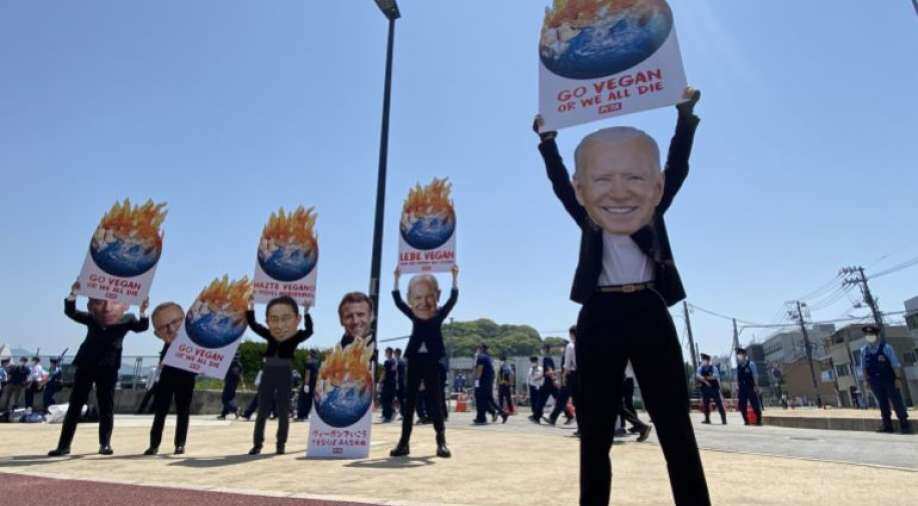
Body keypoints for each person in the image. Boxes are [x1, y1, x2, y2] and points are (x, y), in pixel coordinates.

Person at [534, 87, 710, 505]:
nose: (618, 193)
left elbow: (677, 167)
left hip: (649, 308)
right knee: (595, 432)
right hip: (600, 313)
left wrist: (685, 118)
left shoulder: (653, 207)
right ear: (586, 191)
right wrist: (547, 144)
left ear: (652, 187)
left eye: (632, 178)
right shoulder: (588, 215)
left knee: (674, 425)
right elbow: (561, 185)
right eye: (603, 181)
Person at [49, 281, 149, 456]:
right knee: (75, 405)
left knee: (106, 406)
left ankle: (105, 444)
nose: (107, 308)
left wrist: (143, 310)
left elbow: (142, 327)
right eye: (101, 303)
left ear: (124, 306)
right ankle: (63, 446)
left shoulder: (127, 319)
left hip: (109, 367)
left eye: (113, 303)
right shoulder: (93, 317)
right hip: (86, 363)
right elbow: (70, 311)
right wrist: (73, 293)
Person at [389, 265, 459, 458]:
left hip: (432, 362)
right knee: (409, 402)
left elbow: (453, 299)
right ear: (411, 300)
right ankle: (403, 443)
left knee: (435, 401)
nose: (424, 303)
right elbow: (398, 302)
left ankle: (441, 442)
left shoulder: (439, 315)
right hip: (414, 361)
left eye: (429, 297)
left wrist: (454, 276)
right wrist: (396, 278)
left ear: (437, 296)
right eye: (417, 298)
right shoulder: (413, 315)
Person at [246, 295, 313, 455]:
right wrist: (251, 306)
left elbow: (310, 331)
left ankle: (280, 444)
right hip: (268, 370)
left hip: (285, 371)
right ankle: (257, 445)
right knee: (262, 409)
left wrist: (307, 312)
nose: (280, 325)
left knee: (283, 410)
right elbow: (253, 325)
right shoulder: (269, 333)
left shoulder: (296, 336)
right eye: (275, 319)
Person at [145, 302, 197, 455]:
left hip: (186, 374)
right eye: (165, 326)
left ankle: (180, 444)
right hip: (167, 374)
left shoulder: (192, 335)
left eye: (175, 322)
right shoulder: (169, 337)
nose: (171, 328)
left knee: (183, 411)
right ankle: (154, 445)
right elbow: (163, 338)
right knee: (160, 411)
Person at [859, 324, 911, 434]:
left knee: (896, 401)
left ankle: (904, 424)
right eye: (867, 334)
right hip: (874, 381)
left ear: (877, 335)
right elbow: (863, 367)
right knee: (882, 403)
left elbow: (895, 364)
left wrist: (898, 378)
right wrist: (866, 381)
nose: (869, 336)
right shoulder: (864, 350)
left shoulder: (886, 347)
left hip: (889, 379)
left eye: (871, 334)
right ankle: (887, 426)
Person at [473, 343, 507, 424]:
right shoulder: (488, 357)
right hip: (488, 381)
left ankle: (481, 418)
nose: (477, 349)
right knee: (489, 399)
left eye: (478, 348)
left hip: (482, 381)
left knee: (480, 399)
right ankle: (502, 413)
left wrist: (476, 379)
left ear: (481, 348)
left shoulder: (481, 357)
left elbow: (480, 369)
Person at [696, 354, 726, 425]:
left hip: (714, 389)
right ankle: (707, 419)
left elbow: (715, 377)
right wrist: (706, 381)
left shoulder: (714, 368)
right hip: (705, 390)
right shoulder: (700, 368)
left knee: (719, 404)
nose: (703, 361)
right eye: (703, 360)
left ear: (708, 360)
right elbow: (698, 376)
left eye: (705, 360)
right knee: (706, 405)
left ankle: (724, 420)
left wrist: (704, 378)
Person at [735, 348, 762, 426]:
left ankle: (759, 420)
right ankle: (746, 420)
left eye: (740, 355)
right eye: (738, 355)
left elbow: (755, 375)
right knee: (742, 405)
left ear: (744, 355)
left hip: (750, 386)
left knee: (755, 403)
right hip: (742, 388)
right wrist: (737, 387)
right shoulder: (739, 366)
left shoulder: (751, 364)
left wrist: (756, 386)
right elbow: (737, 378)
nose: (739, 356)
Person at [537, 344, 560, 423]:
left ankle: (536, 416)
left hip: (548, 382)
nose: (541, 350)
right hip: (550, 382)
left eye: (542, 349)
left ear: (545, 349)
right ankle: (569, 414)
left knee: (541, 399)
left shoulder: (546, 358)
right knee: (559, 399)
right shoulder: (549, 358)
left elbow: (549, 370)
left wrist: (554, 380)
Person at [219, 351, 243, 419]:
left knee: (225, 399)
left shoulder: (230, 364)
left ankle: (236, 409)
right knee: (229, 399)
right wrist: (242, 384)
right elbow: (240, 375)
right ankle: (223, 414)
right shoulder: (240, 365)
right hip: (235, 384)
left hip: (229, 383)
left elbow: (224, 372)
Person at [296, 350, 318, 421]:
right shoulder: (315, 366)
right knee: (308, 401)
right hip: (312, 386)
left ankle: (301, 415)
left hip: (307, 385)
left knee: (303, 400)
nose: (307, 357)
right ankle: (304, 415)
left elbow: (307, 374)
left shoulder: (309, 364)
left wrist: (306, 384)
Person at [380, 347, 398, 422]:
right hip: (393, 383)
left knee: (384, 399)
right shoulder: (395, 361)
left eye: (386, 352)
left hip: (387, 383)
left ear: (388, 353)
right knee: (390, 399)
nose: (385, 353)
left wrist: (380, 381)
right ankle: (391, 413)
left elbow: (384, 373)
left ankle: (387, 416)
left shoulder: (387, 362)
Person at [527, 356, 544, 423]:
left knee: (538, 402)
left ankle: (538, 415)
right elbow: (528, 377)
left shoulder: (541, 369)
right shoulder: (530, 369)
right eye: (532, 362)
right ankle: (535, 415)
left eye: (534, 361)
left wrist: (536, 378)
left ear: (537, 361)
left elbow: (541, 377)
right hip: (532, 386)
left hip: (538, 387)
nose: (532, 363)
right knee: (533, 402)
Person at [395, 348, 407, 418]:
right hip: (401, 382)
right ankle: (402, 413)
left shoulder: (399, 362)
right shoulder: (402, 361)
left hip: (400, 382)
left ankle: (403, 413)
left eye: (395, 353)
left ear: (397, 353)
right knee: (401, 399)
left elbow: (398, 373)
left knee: (401, 399)